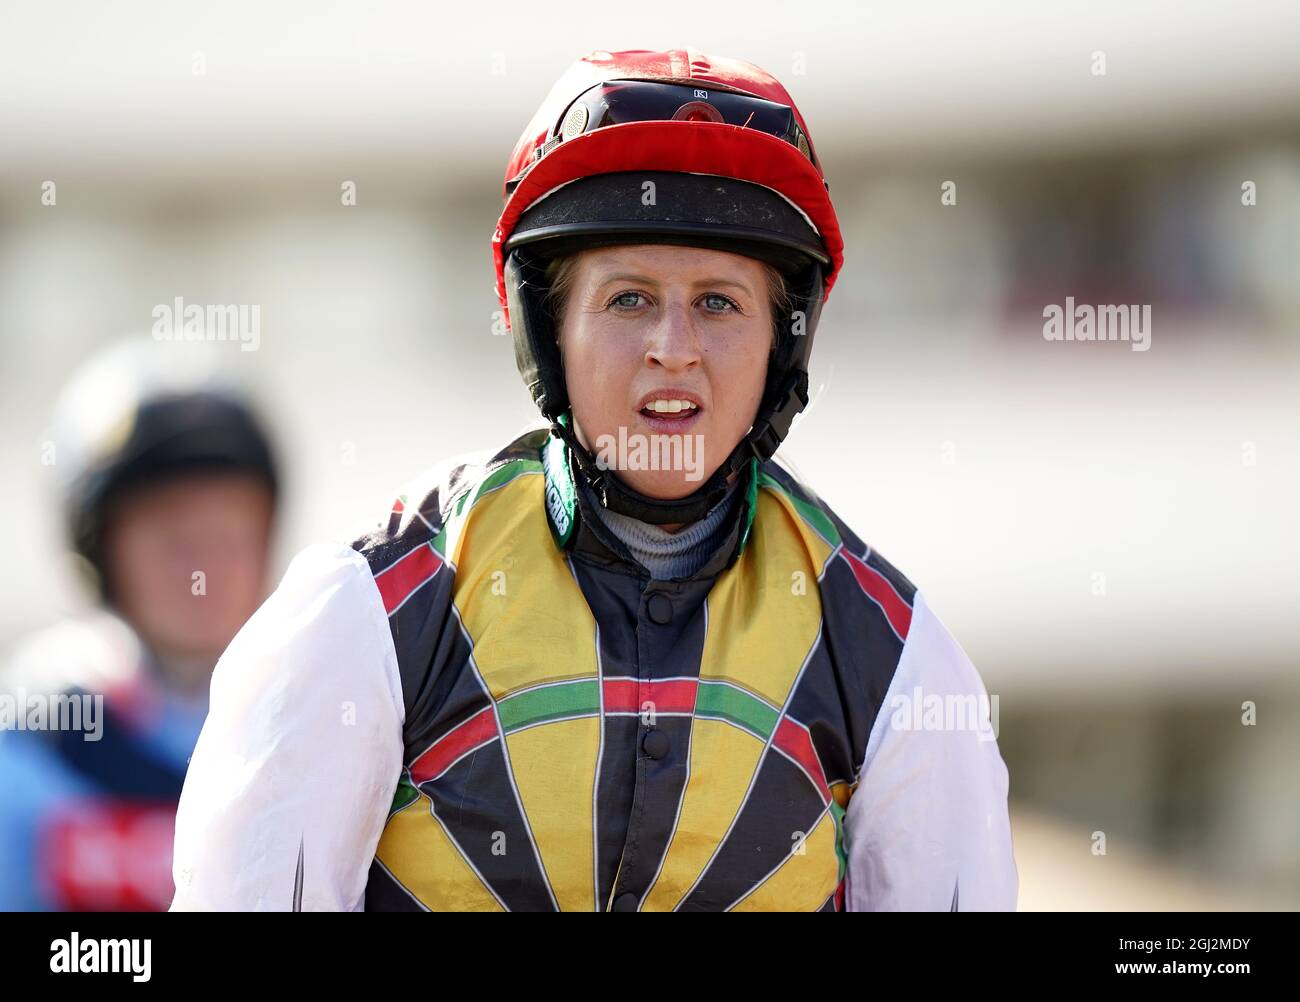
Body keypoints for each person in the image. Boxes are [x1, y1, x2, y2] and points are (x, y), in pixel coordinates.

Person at [171, 48, 1018, 912]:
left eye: (720, 302)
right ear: (548, 332)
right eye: (628, 299)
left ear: (781, 343)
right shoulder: (365, 617)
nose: (674, 348)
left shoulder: (900, 660)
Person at [0, 341, 279, 910]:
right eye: (170, 538)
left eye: (229, 536)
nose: (203, 570)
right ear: (99, 550)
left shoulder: (335, 722)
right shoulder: (32, 742)